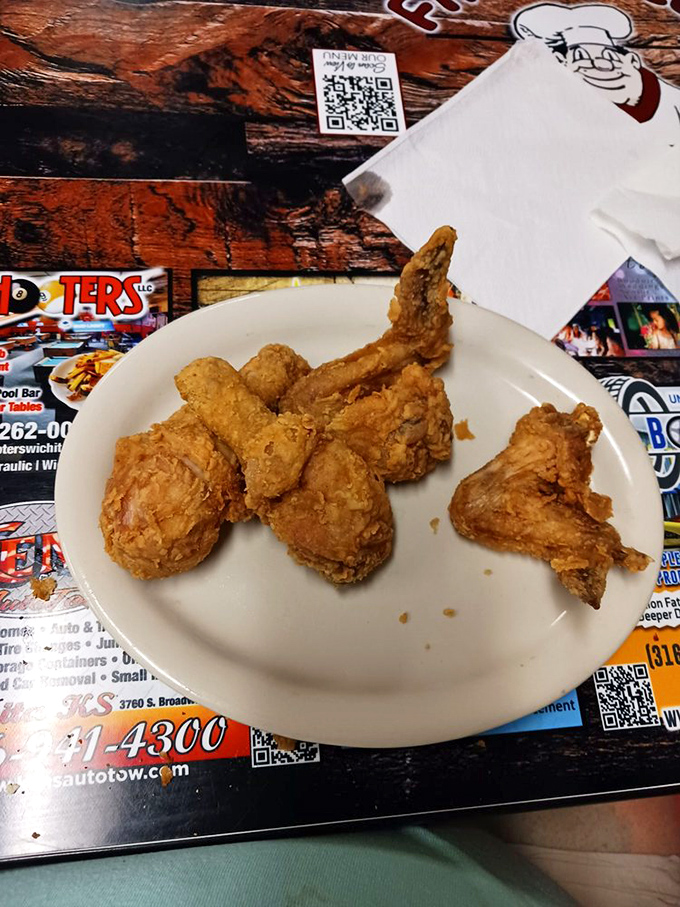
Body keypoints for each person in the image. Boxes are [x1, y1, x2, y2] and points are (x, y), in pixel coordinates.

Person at [512, 4, 680, 136]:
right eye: (581, 57)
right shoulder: (543, 106)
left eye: (610, 57)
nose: (600, 66)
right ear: (562, 63)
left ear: (632, 60)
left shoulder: (673, 102)